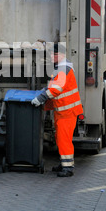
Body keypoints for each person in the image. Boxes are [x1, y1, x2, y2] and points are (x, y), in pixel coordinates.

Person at [31, 43, 83, 177]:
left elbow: (56, 89)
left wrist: (40, 98)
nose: (51, 56)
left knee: (64, 139)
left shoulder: (62, 69)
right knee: (60, 138)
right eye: (50, 54)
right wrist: (43, 93)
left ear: (62, 55)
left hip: (67, 112)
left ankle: (68, 168)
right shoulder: (61, 68)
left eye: (54, 54)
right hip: (64, 111)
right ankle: (64, 163)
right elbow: (53, 87)